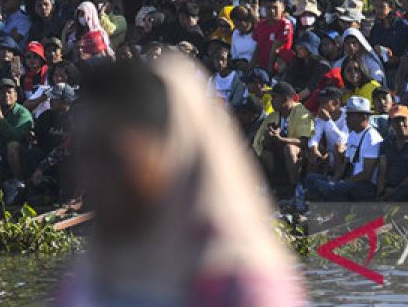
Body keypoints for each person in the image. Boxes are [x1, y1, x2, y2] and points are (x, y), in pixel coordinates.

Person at [59, 57, 305, 307]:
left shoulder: (239, 287)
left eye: (111, 156)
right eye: (88, 154)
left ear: (169, 152)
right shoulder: (94, 273)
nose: (92, 175)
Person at [299, 96, 382, 203]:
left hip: (365, 185)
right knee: (312, 179)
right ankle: (312, 211)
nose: (346, 118)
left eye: (351, 115)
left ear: (364, 117)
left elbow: (366, 174)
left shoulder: (372, 137)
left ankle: (327, 213)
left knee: (328, 188)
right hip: (350, 180)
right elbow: (345, 164)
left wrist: (341, 183)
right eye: (347, 114)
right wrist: (335, 179)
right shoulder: (353, 134)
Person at [254, 82, 313, 190]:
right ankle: (269, 186)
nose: (271, 101)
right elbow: (257, 142)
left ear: (284, 99)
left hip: (302, 155)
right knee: (263, 150)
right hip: (278, 154)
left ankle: (295, 189)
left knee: (289, 149)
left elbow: (305, 142)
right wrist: (267, 139)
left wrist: (281, 139)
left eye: (274, 97)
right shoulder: (273, 115)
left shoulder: (302, 113)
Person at [375, 104, 408, 201]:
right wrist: (380, 190)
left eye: (403, 119)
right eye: (396, 120)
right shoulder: (386, 142)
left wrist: (394, 191)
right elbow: (382, 170)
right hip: (389, 187)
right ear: (390, 123)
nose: (400, 124)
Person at [0, 79, 34, 186]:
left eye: (9, 92)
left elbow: (15, 136)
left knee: (12, 146)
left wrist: (0, 119)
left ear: (15, 96)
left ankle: (19, 183)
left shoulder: (22, 113)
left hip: (20, 153)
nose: (6, 95)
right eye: (2, 92)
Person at [253, 0, 294, 72]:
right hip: (261, 69)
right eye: (269, 8)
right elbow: (257, 49)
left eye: (275, 8)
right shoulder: (260, 24)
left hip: (277, 70)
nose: (272, 11)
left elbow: (275, 50)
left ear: (282, 7)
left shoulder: (285, 24)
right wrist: (251, 67)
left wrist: (269, 73)